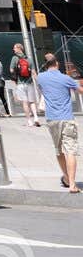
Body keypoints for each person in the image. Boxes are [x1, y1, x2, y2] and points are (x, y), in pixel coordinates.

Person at [35, 53, 82, 193]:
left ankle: (67, 178)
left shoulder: (41, 78)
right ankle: (73, 184)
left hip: (51, 119)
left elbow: (40, 85)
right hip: (67, 118)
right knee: (71, 150)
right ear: (57, 64)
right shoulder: (65, 78)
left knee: (59, 150)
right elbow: (80, 91)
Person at [9, 43, 40, 126]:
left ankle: (29, 121)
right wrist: (38, 83)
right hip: (29, 83)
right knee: (32, 101)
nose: (13, 49)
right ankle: (36, 117)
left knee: (25, 102)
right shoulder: (29, 59)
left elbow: (11, 70)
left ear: (19, 48)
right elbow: (33, 72)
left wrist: (15, 72)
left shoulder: (14, 58)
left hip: (20, 83)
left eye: (14, 48)